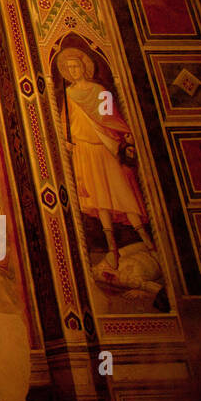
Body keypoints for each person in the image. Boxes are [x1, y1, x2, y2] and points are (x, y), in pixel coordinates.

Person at [57, 47, 156, 269]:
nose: (73, 71)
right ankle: (112, 249)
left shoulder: (98, 90)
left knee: (123, 195)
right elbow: (65, 123)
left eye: (76, 66)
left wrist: (124, 134)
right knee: (99, 200)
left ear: (84, 67)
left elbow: (111, 116)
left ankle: (149, 243)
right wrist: (65, 140)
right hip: (84, 150)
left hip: (105, 147)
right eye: (69, 68)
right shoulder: (69, 95)